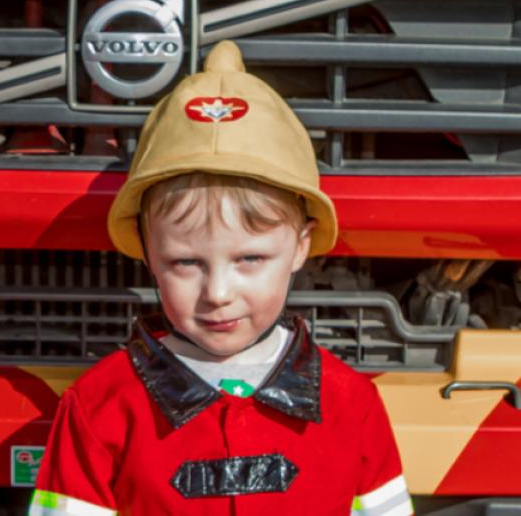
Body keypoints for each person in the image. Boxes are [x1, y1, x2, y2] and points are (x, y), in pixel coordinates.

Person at [30, 41, 411, 516]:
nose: (218, 294)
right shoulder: (98, 409)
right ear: (146, 249)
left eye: (250, 258)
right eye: (186, 263)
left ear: (301, 246)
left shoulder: (353, 406)